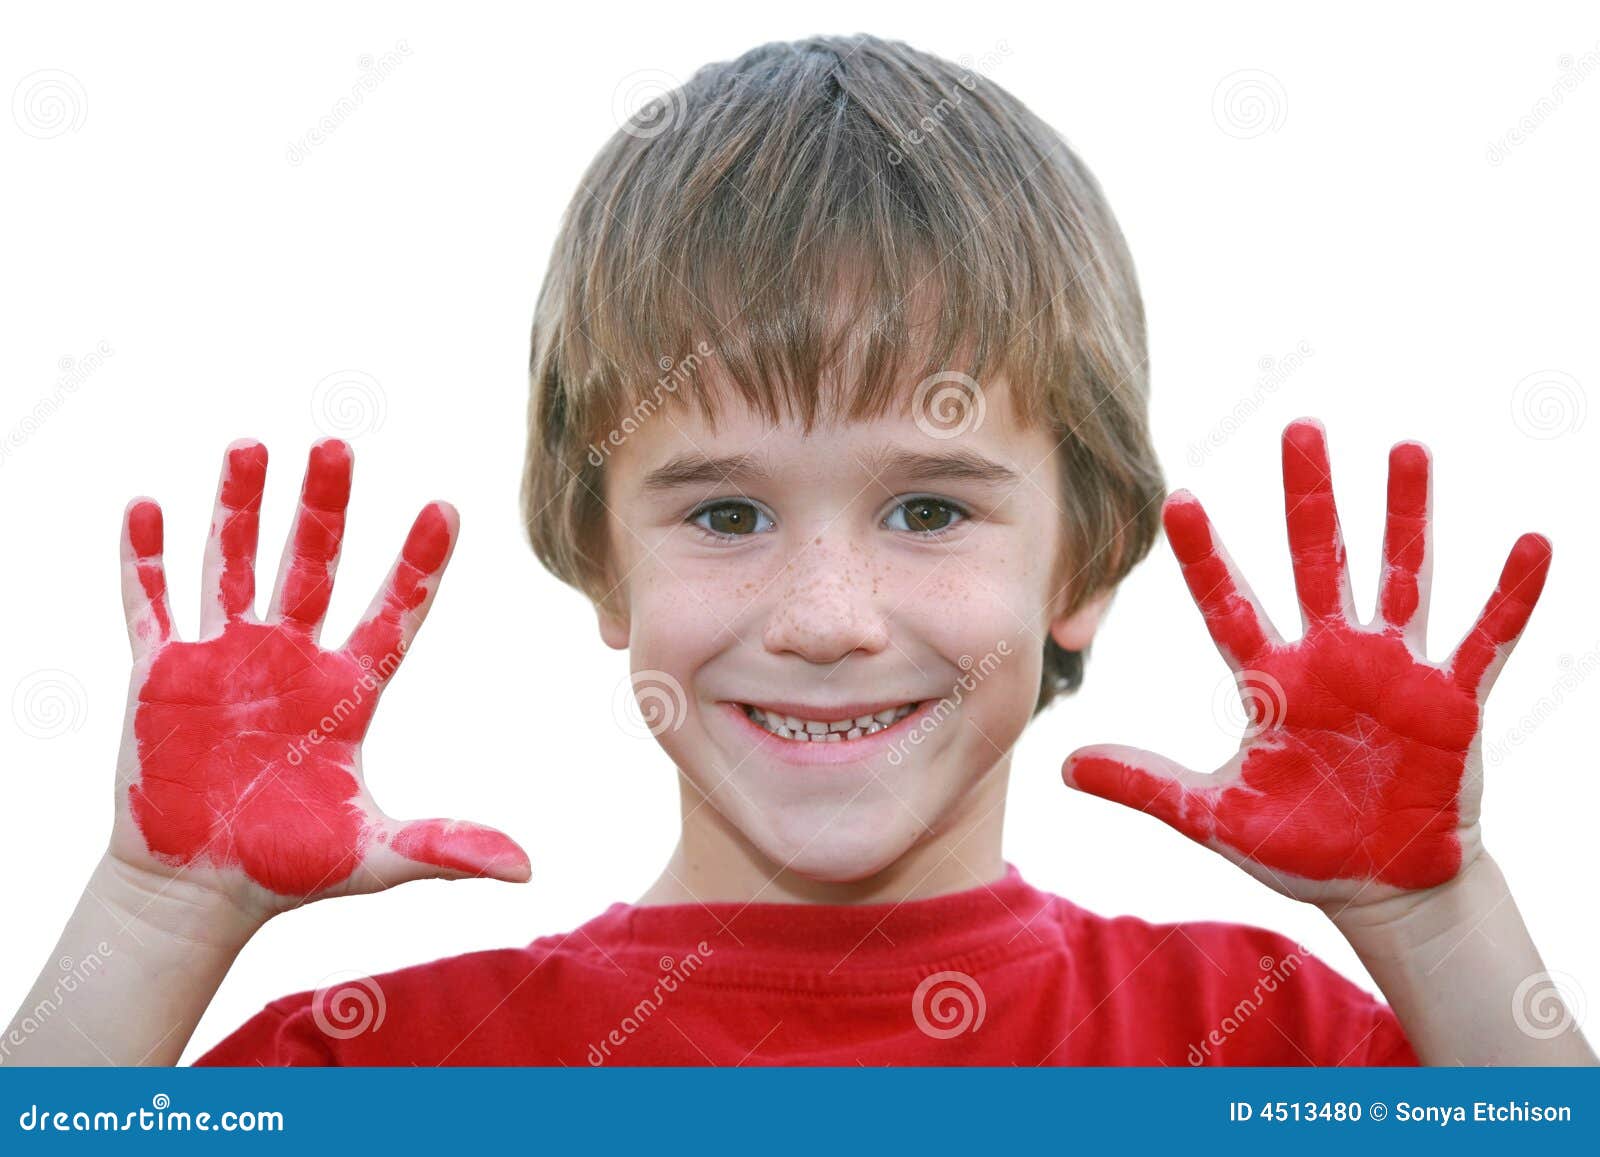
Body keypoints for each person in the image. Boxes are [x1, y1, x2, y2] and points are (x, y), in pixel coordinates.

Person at [6, 34, 1590, 1067]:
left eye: (928, 507)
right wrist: (158, 918)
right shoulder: (398, 1064)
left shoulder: (1255, 1048)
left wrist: (1439, 928)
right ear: (598, 557)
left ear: (1089, 562)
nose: (827, 615)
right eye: (724, 513)